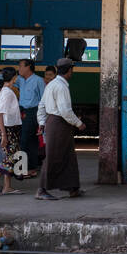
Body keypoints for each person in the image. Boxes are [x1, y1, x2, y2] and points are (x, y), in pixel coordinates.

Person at [35, 58, 85, 200]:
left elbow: (42, 105)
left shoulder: (51, 84)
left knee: (67, 156)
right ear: (69, 71)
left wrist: (42, 122)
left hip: (53, 122)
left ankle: (72, 188)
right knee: (54, 157)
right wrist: (78, 123)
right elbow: (65, 111)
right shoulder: (61, 87)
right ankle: (41, 189)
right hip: (59, 124)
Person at [0, 69, 21, 196]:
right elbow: (0, 114)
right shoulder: (7, 92)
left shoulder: (6, 91)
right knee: (10, 157)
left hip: (11, 127)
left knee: (11, 156)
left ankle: (7, 186)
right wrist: (4, 134)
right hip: (9, 128)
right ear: (15, 77)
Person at [16, 58, 45, 175]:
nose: (19, 69)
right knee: (31, 141)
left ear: (28, 67)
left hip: (33, 112)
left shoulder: (38, 81)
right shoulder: (20, 80)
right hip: (21, 111)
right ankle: (31, 168)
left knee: (24, 140)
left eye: (21, 66)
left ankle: (22, 169)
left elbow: (44, 99)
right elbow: (6, 79)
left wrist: (42, 119)